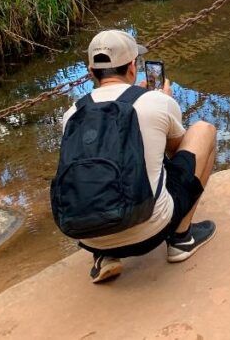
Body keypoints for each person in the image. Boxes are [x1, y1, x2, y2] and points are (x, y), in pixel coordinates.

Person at [59, 30, 217, 283]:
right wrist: (161, 102)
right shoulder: (155, 101)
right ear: (133, 67)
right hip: (149, 232)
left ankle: (104, 255)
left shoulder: (71, 114)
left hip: (85, 233)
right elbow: (177, 153)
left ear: (91, 72)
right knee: (203, 130)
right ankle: (180, 239)